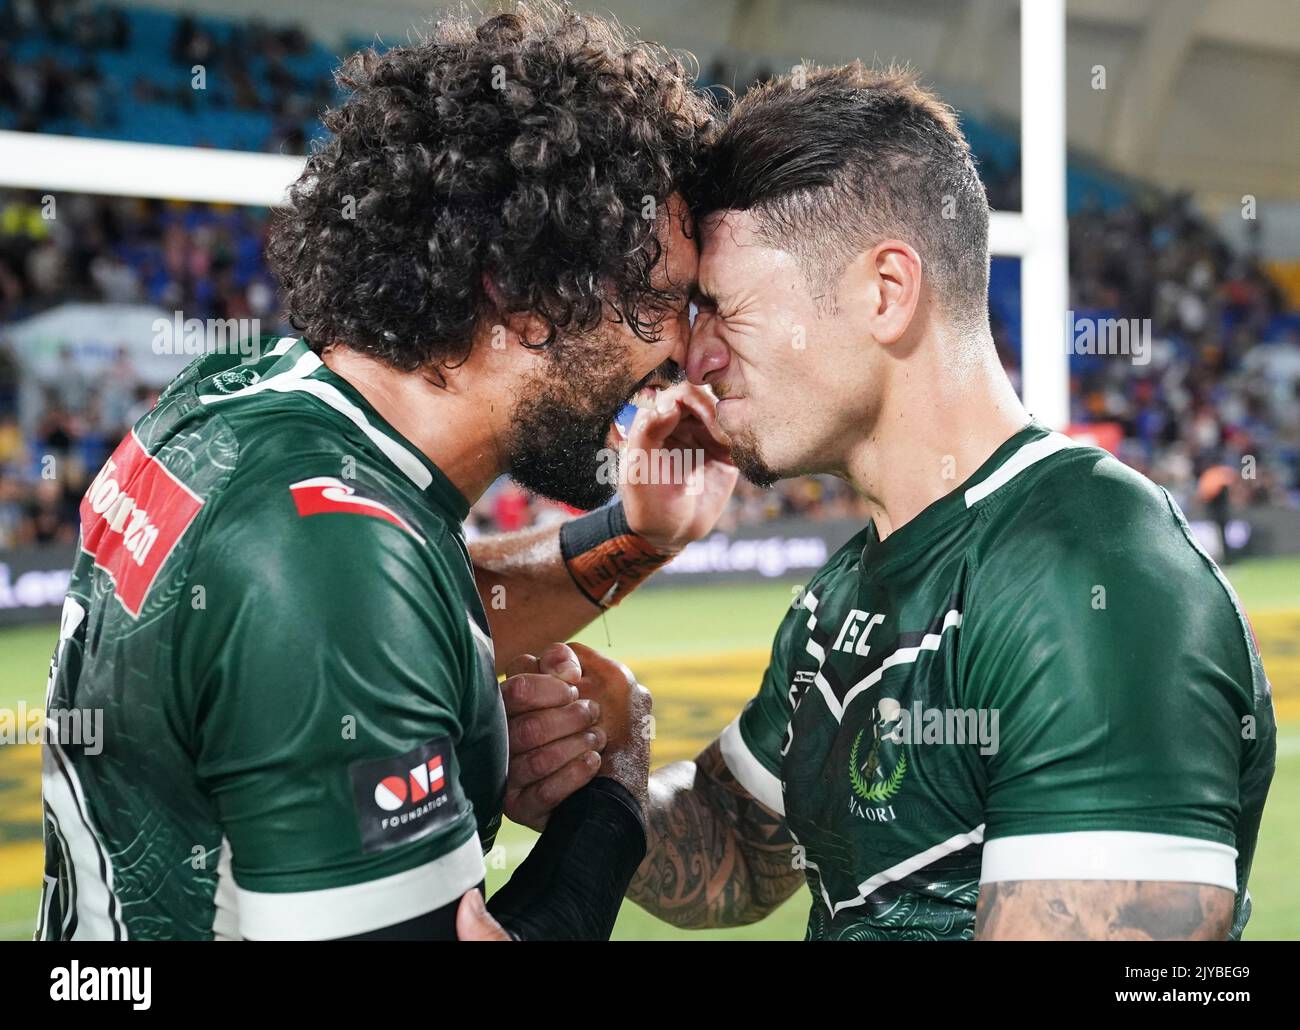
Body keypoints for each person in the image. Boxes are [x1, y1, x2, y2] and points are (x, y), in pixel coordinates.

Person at [38, 2, 736, 941]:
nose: (682, 354)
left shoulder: (249, 396)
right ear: (521, 292)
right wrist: (612, 789)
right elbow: (346, 593)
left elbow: (426, 595)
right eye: (660, 301)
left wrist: (635, 535)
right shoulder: (329, 550)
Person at [532, 63, 1276, 940]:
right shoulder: (844, 590)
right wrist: (599, 776)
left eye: (723, 310)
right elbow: (734, 848)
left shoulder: (1093, 574)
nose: (692, 360)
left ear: (886, 291)